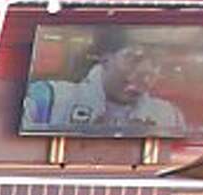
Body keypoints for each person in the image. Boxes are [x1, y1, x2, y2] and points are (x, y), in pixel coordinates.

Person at [23, 42, 189, 138]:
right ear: (106, 58)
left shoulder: (170, 116)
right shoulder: (47, 98)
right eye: (134, 58)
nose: (146, 72)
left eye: (156, 63)